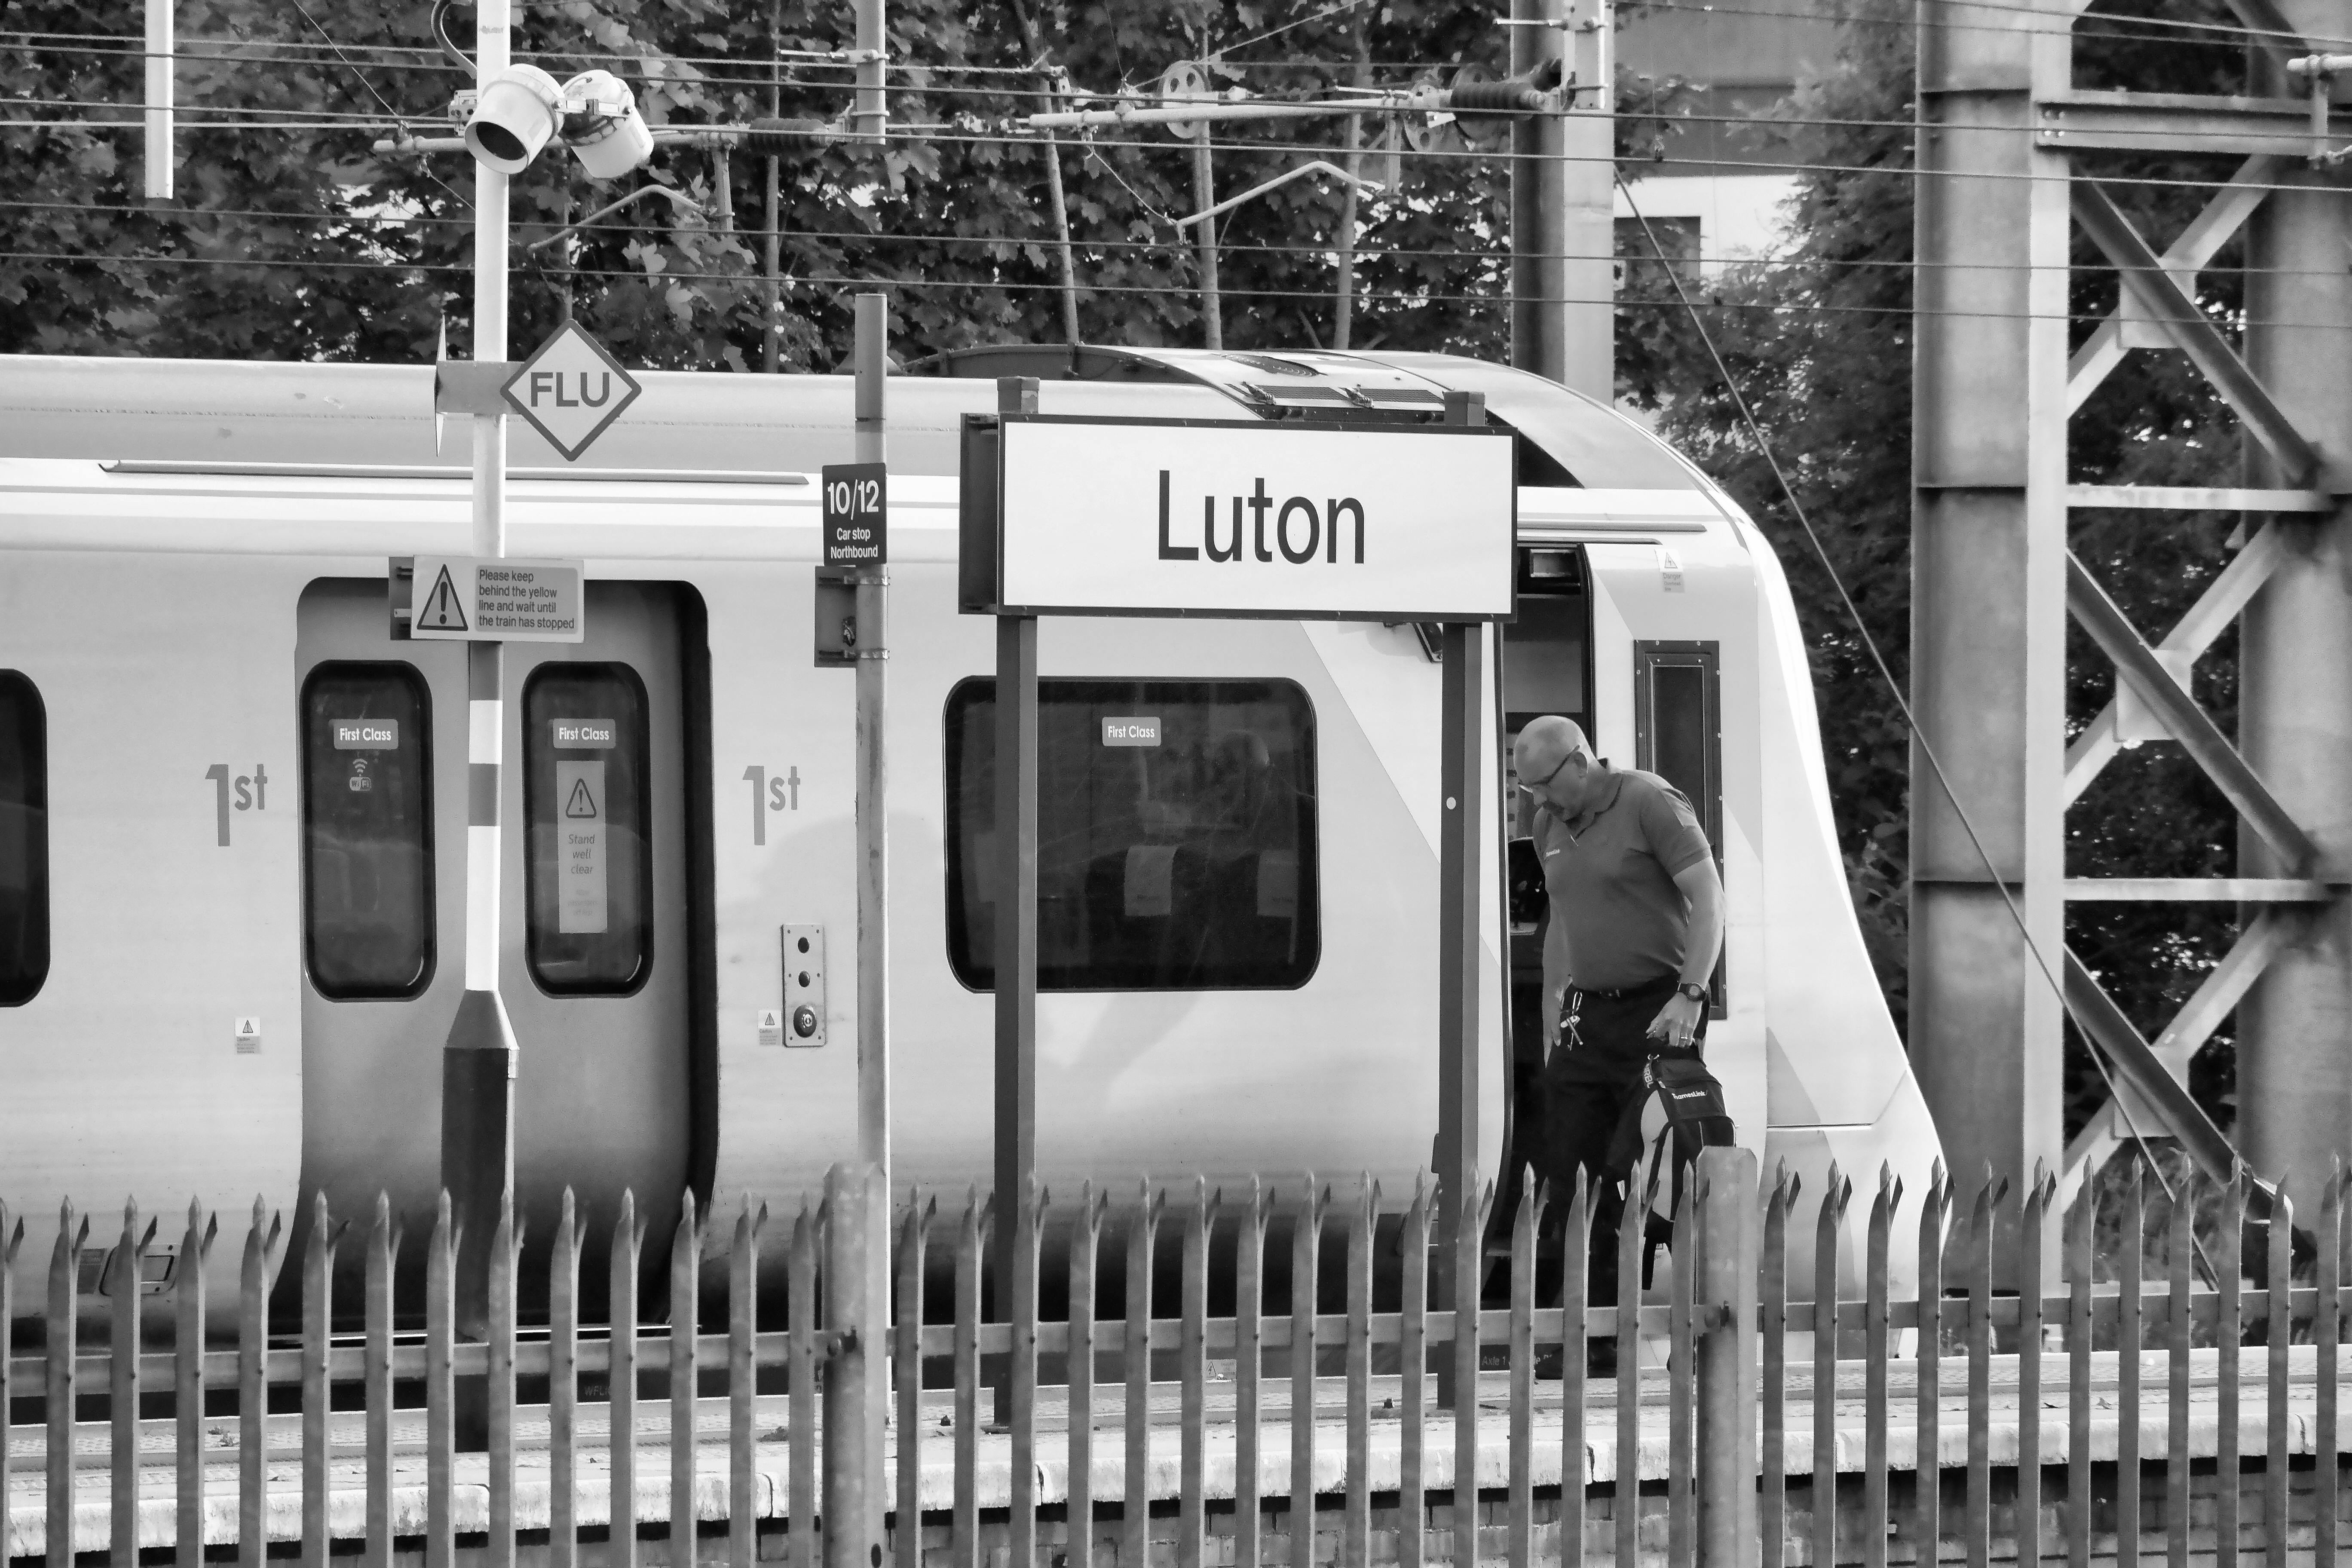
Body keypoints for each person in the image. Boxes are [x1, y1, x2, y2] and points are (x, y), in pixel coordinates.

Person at [1512, 715, 1725, 1299]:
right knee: (1571, 1169)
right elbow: (1562, 916)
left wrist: (1691, 994)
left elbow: (1708, 898)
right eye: (1529, 789)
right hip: (1588, 1014)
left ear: (1581, 762)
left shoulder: (1649, 801)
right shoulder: (1546, 825)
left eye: (1546, 785)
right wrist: (1556, 1002)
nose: (1540, 800)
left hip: (1659, 1006)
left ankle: (1669, 1308)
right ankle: (1589, 1325)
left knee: (1640, 1166)